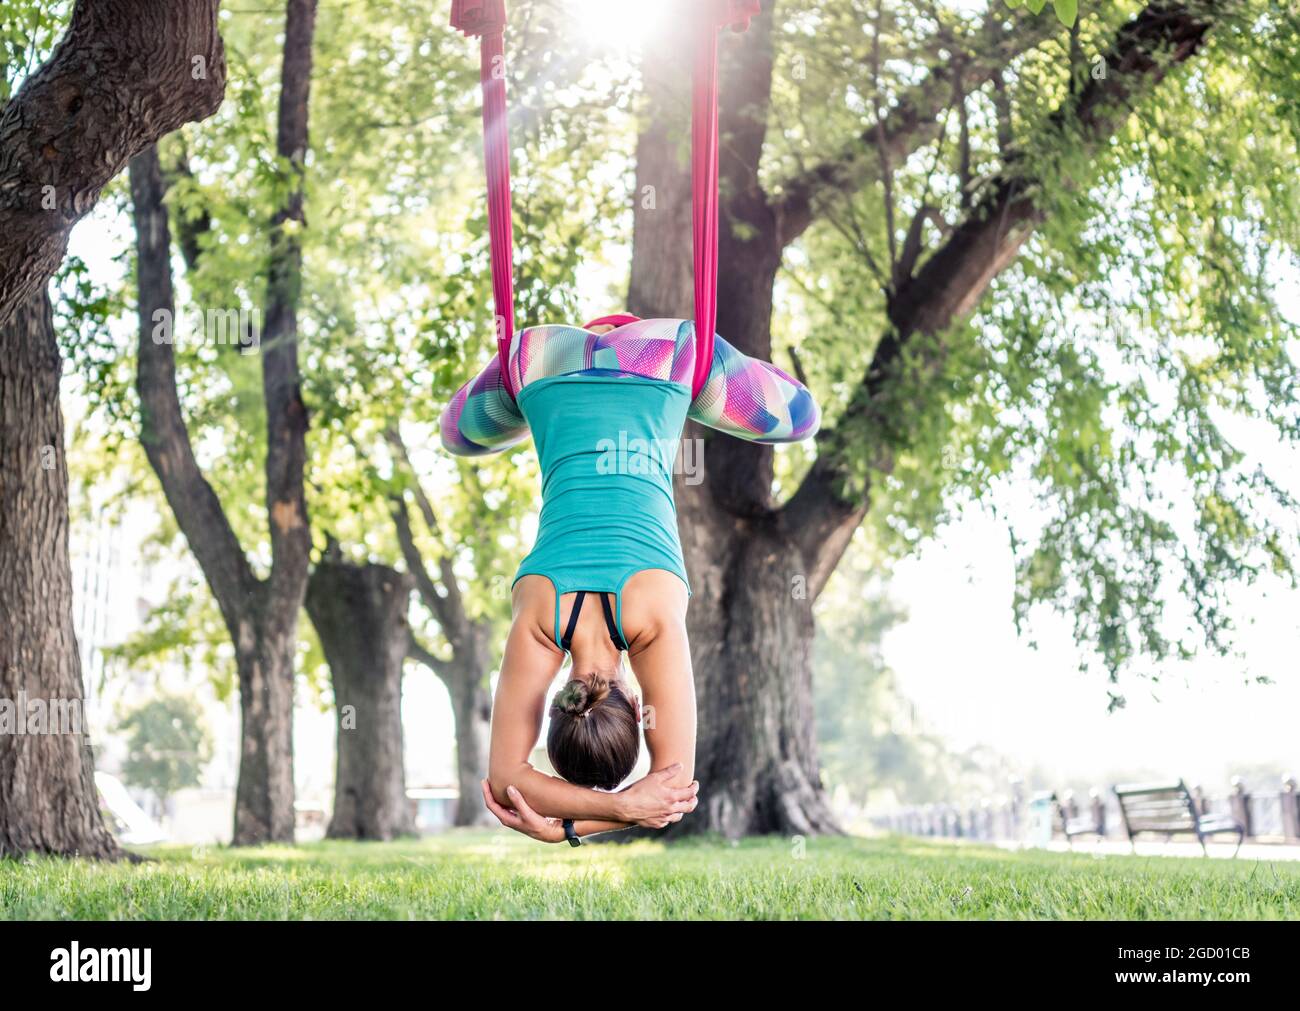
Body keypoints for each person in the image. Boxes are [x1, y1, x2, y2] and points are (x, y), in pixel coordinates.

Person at [441, 315, 820, 843]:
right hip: (541, 361)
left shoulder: (653, 623)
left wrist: (606, 815)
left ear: (640, 711)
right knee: (456, 434)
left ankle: (647, 353)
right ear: (558, 703)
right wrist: (569, 822)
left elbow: (675, 789)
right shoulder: (538, 621)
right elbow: (506, 781)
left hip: (663, 357)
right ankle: (560, 367)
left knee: (803, 417)